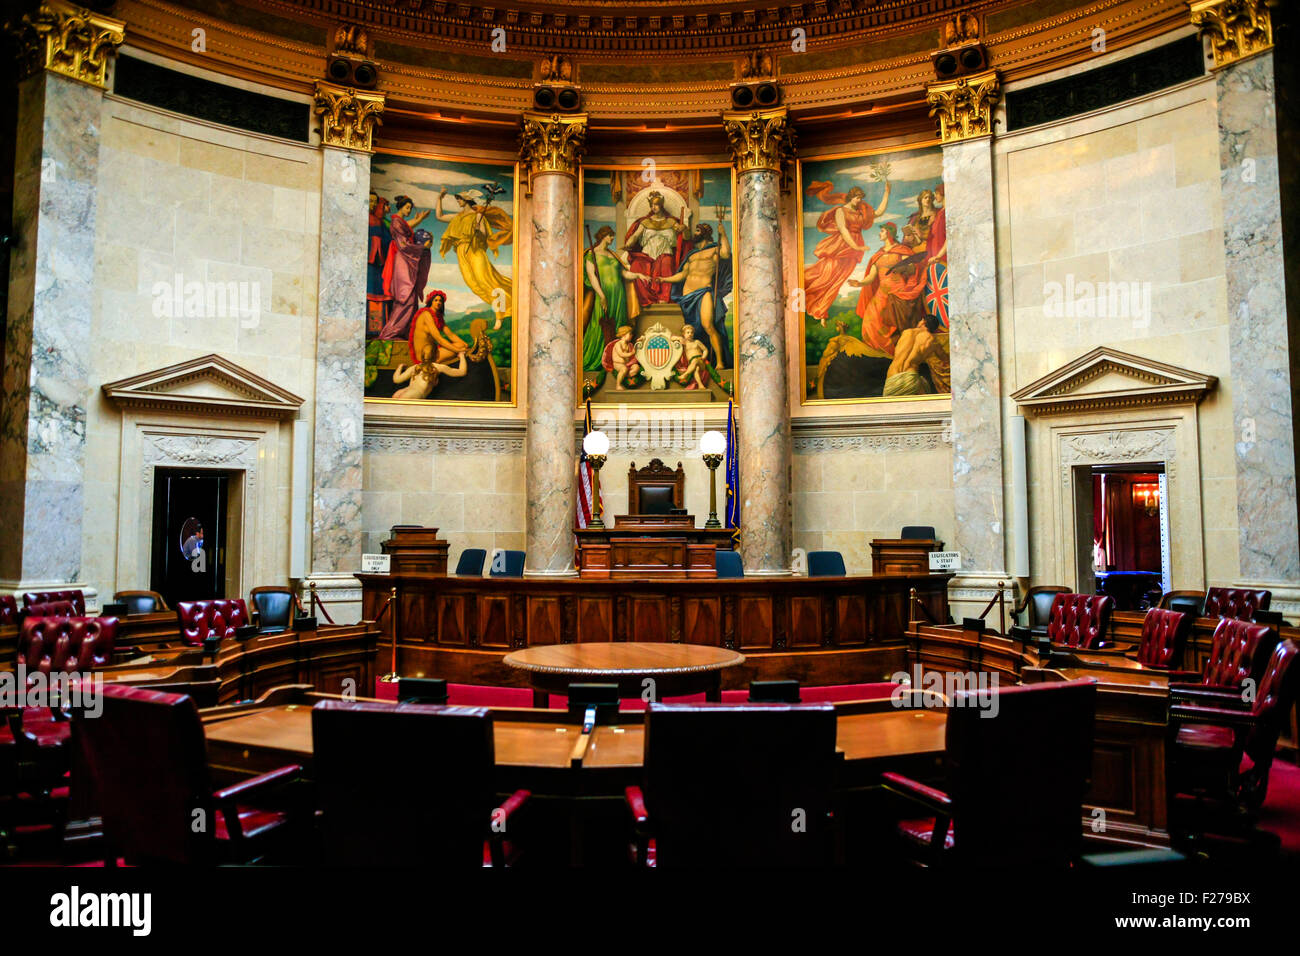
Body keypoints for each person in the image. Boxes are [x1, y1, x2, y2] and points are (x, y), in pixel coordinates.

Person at [802, 173, 890, 323]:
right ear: (851, 197)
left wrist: (887, 192)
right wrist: (857, 246)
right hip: (840, 247)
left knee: (838, 280)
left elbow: (879, 212)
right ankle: (809, 297)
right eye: (857, 198)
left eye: (861, 198)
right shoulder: (840, 211)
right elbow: (843, 230)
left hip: (852, 252)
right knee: (826, 276)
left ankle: (822, 311)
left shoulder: (860, 213)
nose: (859, 201)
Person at [653, 215, 733, 369]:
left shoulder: (714, 249)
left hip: (704, 292)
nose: (695, 234)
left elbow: (726, 254)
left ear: (704, 232)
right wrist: (665, 280)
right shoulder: (692, 255)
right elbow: (682, 275)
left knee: (708, 325)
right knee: (690, 331)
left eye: (697, 231)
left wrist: (723, 234)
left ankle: (721, 362)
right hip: (687, 296)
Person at [433, 186, 514, 329]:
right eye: (457, 198)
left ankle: (501, 314)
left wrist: (478, 230)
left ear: (467, 200)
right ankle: (505, 305)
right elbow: (439, 216)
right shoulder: (457, 217)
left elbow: (485, 235)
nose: (458, 201)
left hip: (475, 251)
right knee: (473, 284)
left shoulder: (477, 216)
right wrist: (439, 198)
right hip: (461, 251)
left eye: (460, 198)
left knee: (486, 281)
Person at [847, 223, 927, 355]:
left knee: (895, 323)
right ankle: (880, 353)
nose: (880, 234)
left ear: (889, 233)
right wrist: (859, 283)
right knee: (870, 320)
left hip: (899, 292)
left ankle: (897, 352)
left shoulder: (901, 250)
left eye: (882, 231)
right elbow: (871, 277)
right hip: (881, 293)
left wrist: (902, 268)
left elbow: (913, 268)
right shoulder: (877, 255)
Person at [622, 190, 691, 308]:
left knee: (666, 264)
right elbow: (635, 236)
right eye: (652, 205)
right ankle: (646, 299)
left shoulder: (671, 222)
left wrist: (684, 228)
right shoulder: (645, 222)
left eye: (656, 204)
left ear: (661, 204)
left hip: (665, 253)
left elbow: (686, 238)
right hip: (647, 254)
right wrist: (629, 243)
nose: (654, 207)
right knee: (637, 266)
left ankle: (663, 298)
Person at [379, 195, 431, 340]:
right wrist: (422, 248)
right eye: (407, 208)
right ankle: (391, 332)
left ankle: (403, 331)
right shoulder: (395, 222)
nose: (409, 211)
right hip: (403, 259)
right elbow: (403, 245)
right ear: (401, 207)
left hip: (407, 259)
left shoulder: (399, 221)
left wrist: (420, 219)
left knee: (411, 296)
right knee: (405, 295)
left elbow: (408, 227)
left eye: (410, 208)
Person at [581, 226, 626, 372]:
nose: (612, 238)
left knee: (616, 324)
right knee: (599, 325)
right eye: (610, 236)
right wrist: (601, 295)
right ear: (603, 236)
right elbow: (592, 276)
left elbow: (624, 274)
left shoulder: (613, 255)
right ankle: (597, 357)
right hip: (603, 294)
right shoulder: (591, 254)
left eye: (612, 236)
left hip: (618, 295)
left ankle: (615, 359)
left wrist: (639, 275)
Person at [882, 314, 946, 396]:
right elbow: (945, 358)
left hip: (893, 375)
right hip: (910, 376)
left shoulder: (906, 332)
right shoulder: (933, 342)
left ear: (923, 321)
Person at [409, 290, 469, 366]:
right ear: (431, 301)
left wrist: (466, 345)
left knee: (461, 345)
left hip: (433, 351)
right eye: (436, 300)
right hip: (424, 356)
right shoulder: (426, 314)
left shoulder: (438, 317)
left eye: (440, 301)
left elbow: (451, 335)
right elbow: (439, 339)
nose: (438, 302)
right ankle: (434, 363)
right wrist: (458, 350)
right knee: (459, 347)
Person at [390, 352, 469, 400]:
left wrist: (400, 367)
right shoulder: (438, 367)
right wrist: (462, 356)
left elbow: (396, 379)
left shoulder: (415, 367)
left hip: (402, 391)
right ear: (436, 355)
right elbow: (462, 372)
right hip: (414, 395)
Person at [602, 325, 640, 390]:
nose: (631, 335)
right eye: (630, 334)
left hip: (626, 364)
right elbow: (621, 354)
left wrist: (638, 342)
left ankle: (625, 375)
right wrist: (631, 353)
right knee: (624, 369)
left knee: (636, 367)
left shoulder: (629, 345)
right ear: (624, 335)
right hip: (618, 364)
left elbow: (634, 353)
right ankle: (618, 385)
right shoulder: (618, 344)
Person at [675, 323, 711, 390]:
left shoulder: (696, 342)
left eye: (691, 333)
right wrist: (678, 338)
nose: (690, 334)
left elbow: (705, 350)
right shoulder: (684, 343)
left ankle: (685, 374)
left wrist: (703, 357)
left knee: (695, 361)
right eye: (687, 332)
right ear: (683, 334)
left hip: (700, 361)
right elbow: (671, 338)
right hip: (692, 363)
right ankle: (700, 385)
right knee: (696, 369)